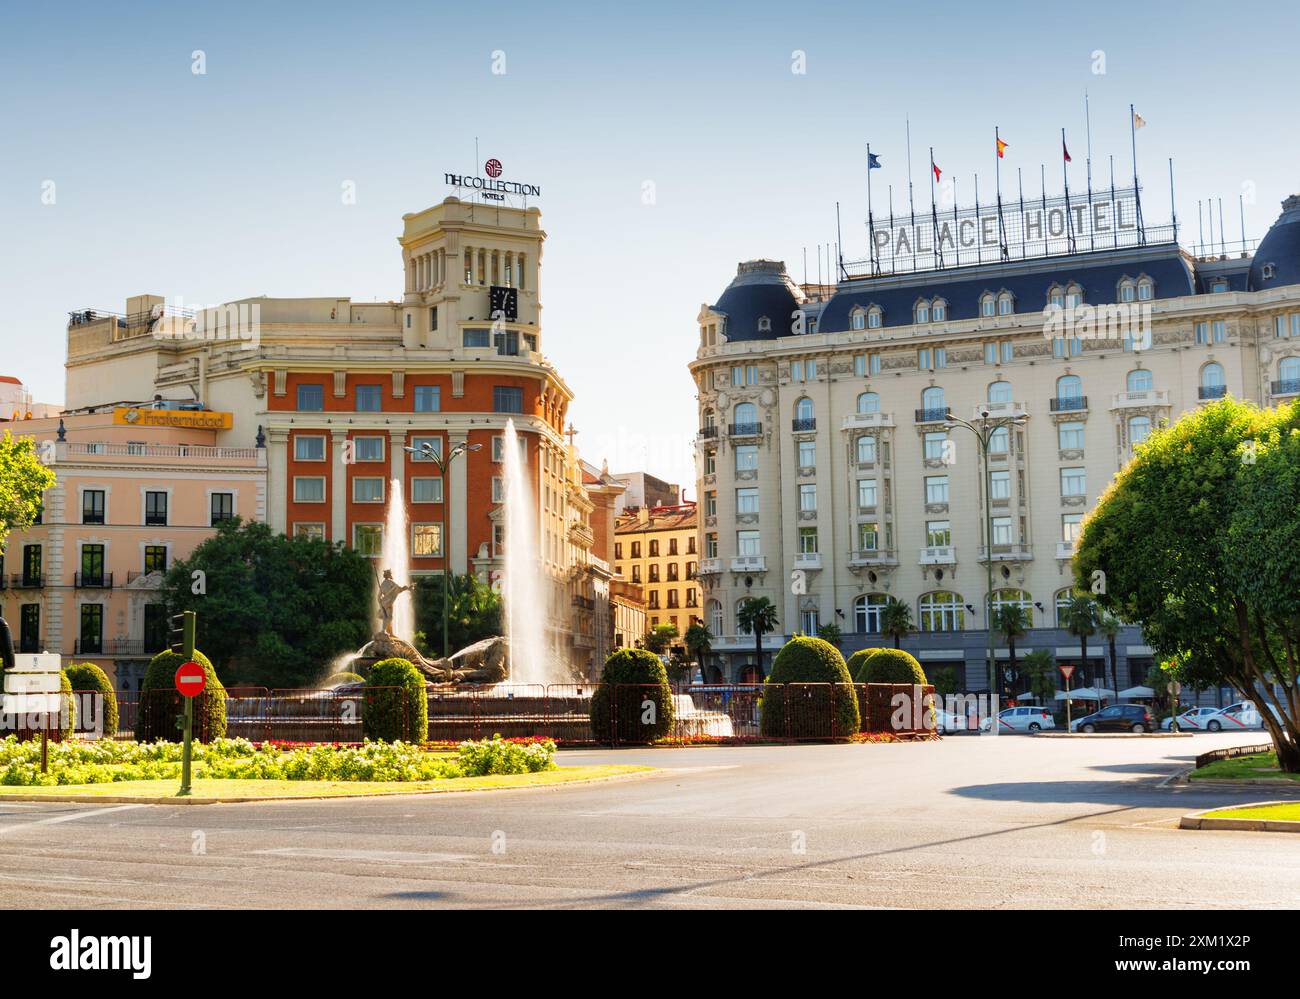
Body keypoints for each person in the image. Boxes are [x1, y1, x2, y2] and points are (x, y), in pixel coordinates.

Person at [377, 569, 411, 637]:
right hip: (388, 603)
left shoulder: (383, 584)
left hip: (384, 602)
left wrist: (380, 602)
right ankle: (383, 631)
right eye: (390, 574)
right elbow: (399, 589)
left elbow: (378, 596)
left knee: (386, 617)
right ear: (389, 575)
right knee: (388, 617)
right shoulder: (391, 583)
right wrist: (405, 588)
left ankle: (389, 632)